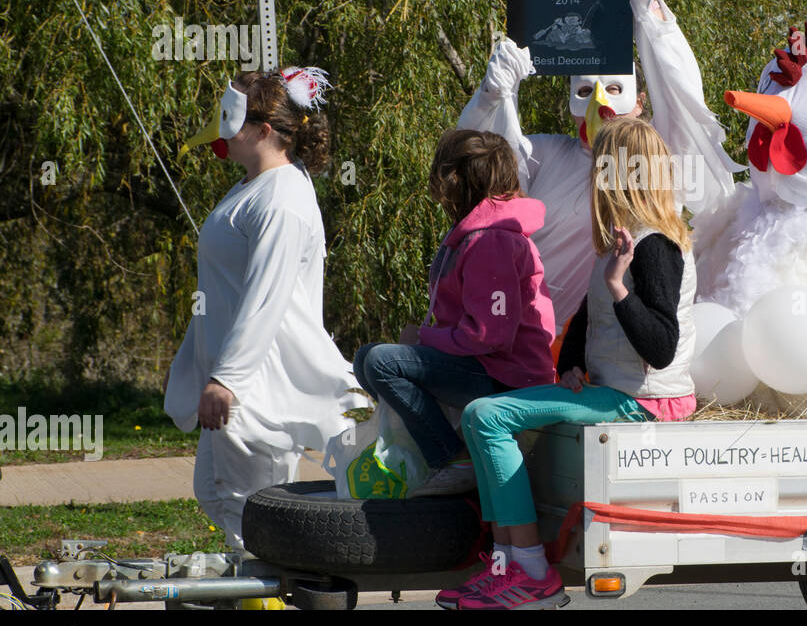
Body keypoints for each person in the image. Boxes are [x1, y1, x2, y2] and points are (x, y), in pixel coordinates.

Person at [440, 119, 698, 610]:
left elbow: (661, 346)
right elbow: (586, 317)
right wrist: (572, 365)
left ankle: (532, 569)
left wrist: (620, 285)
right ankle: (504, 564)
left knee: (486, 416)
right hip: (614, 389)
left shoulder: (656, 246)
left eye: (601, 166)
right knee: (483, 416)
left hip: (645, 401)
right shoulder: (625, 240)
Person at [457, 0, 740, 334]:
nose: (599, 105)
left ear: (640, 101)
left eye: (614, 91)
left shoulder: (660, 157)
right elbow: (475, 164)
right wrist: (489, 98)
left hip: (625, 344)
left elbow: (682, 93)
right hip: (530, 337)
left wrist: (650, 4)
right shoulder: (545, 154)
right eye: (585, 92)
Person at [166, 67, 365, 554]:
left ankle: (262, 599)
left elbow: (265, 296)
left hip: (256, 392)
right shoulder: (253, 188)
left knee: (255, 518)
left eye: (232, 118)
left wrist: (228, 379)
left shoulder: (281, 199)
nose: (221, 130)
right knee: (224, 501)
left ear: (265, 130)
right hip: (236, 384)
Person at [351, 129, 557, 496]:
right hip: (488, 367)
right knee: (367, 358)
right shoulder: (479, 234)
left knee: (382, 361)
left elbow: (489, 336)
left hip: (507, 378)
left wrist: (424, 338)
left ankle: (454, 459)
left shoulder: (491, 239)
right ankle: (453, 444)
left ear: (455, 180)